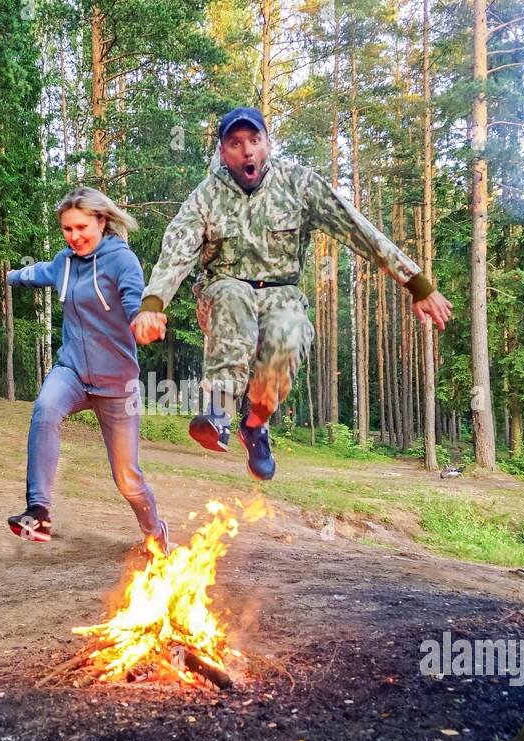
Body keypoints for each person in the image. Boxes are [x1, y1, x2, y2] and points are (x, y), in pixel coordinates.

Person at [129, 106, 453, 480]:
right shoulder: (207, 196)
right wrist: (153, 304)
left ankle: (255, 425)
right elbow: (177, 249)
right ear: (222, 153)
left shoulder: (298, 184)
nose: (247, 151)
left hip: (281, 293)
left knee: (290, 333)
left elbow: (357, 228)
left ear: (268, 143)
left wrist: (415, 283)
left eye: (254, 141)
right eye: (235, 144)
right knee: (233, 296)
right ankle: (218, 412)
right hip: (223, 290)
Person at [5, 187, 168, 552]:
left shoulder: (122, 261)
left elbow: (133, 302)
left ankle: (155, 534)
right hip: (73, 373)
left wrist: (143, 321)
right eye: (67, 229)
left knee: (127, 479)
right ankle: (39, 512)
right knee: (45, 409)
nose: (74, 236)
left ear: (102, 221)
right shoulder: (65, 261)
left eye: (81, 227)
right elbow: (42, 272)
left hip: (117, 386)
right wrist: (13, 276)